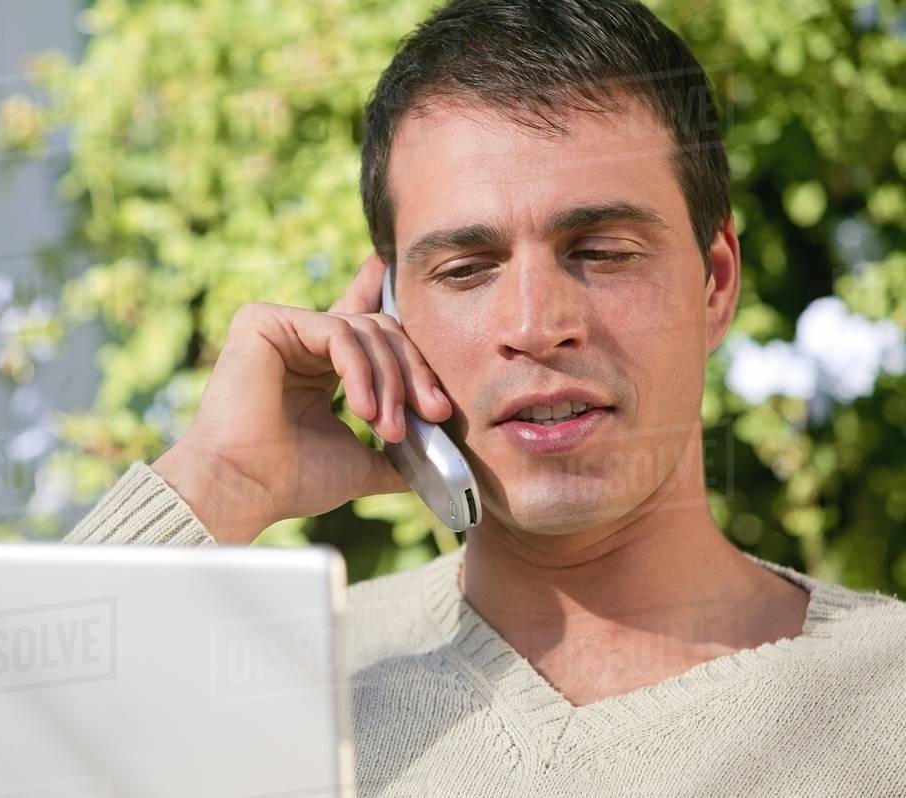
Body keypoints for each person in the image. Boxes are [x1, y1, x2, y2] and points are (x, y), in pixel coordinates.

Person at [64, 0, 906, 793]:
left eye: (603, 251)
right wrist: (215, 483)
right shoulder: (278, 684)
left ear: (714, 284)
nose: (537, 325)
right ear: (389, 313)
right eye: (466, 269)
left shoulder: (885, 704)